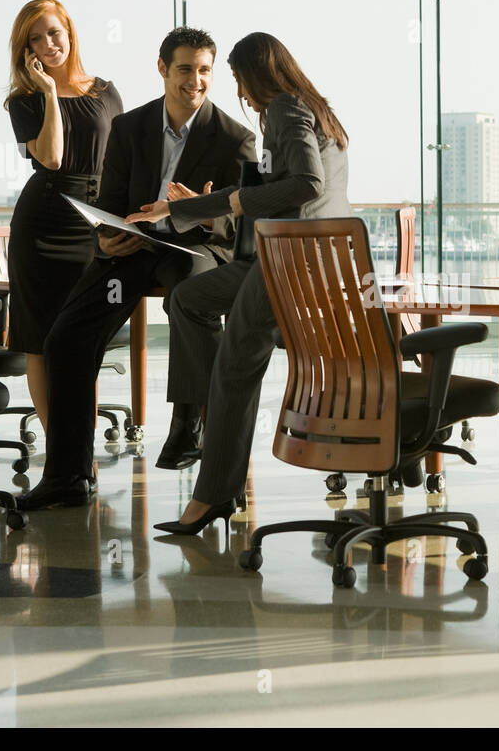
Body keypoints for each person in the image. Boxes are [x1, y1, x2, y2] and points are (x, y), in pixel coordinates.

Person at [18, 27, 257, 511]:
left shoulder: (236, 139)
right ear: (163, 68)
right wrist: (107, 235)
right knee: (66, 336)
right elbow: (108, 204)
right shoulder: (130, 128)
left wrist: (203, 211)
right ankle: (68, 476)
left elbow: (241, 232)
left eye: (205, 70)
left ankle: (188, 422)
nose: (196, 80)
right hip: (134, 252)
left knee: (191, 296)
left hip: (192, 252)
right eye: (185, 68)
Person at [124, 32, 350, 535]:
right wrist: (179, 208)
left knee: (234, 370)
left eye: (236, 78)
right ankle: (204, 421)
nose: (239, 93)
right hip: (306, 257)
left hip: (292, 261)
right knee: (189, 298)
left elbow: (305, 186)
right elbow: (264, 190)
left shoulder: (286, 108)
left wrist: (238, 202)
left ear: (255, 74)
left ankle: (211, 493)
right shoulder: (313, 108)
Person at [4, 0, 122, 430]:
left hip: (96, 223)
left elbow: (123, 159)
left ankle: (82, 445)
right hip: (45, 222)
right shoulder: (24, 101)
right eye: (35, 38)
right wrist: (51, 92)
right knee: (40, 340)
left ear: (69, 32)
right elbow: (51, 158)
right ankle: (61, 453)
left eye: (53, 32)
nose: (47, 43)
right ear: (26, 49)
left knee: (83, 340)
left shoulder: (105, 91)